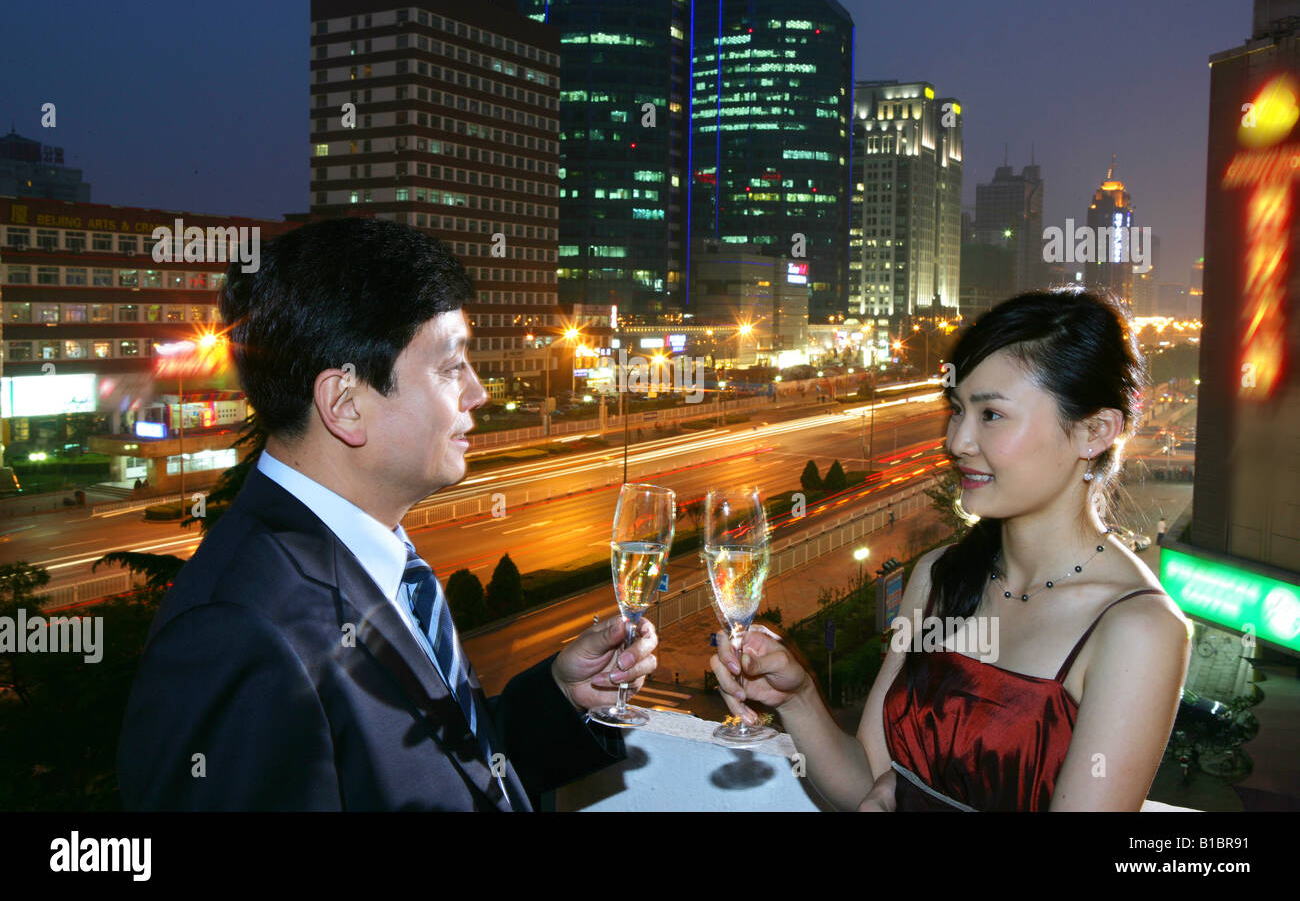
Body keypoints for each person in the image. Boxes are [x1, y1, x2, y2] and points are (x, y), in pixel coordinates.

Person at [117, 218, 656, 810]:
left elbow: (428, 771)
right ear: (345, 404)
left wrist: (560, 697)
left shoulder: (374, 559)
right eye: (453, 368)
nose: (479, 393)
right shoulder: (237, 633)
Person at [711, 286, 1191, 811]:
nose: (957, 441)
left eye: (991, 415)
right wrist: (797, 696)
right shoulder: (941, 574)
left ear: (1093, 431)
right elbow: (866, 782)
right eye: (957, 410)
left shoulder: (1138, 629)